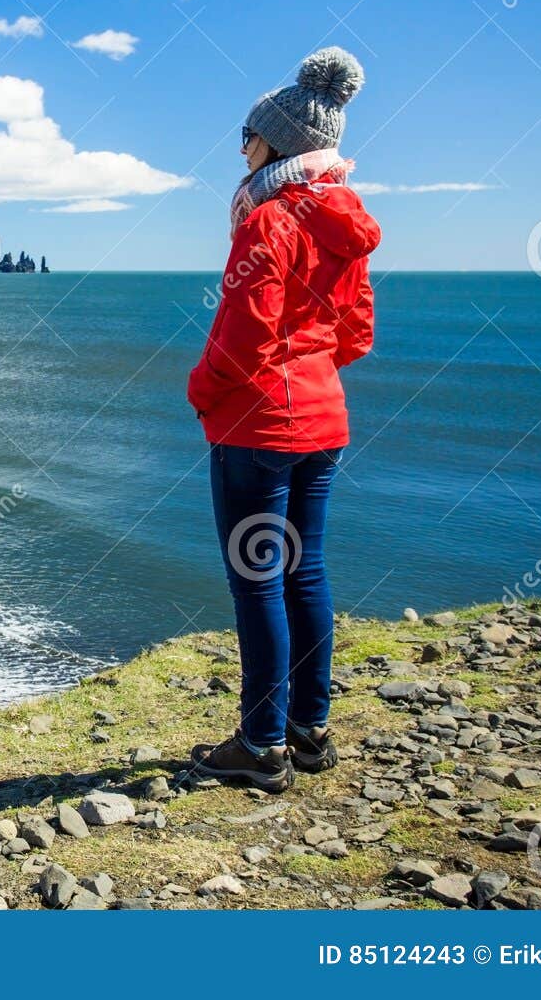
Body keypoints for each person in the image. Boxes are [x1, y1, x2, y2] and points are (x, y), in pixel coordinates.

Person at [186, 46, 382, 793]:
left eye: (249, 135)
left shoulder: (268, 219)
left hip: (259, 426)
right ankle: (308, 730)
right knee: (307, 571)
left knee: (258, 580)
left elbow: (244, 336)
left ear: (278, 143)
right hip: (323, 420)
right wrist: (311, 366)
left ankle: (262, 745)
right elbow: (356, 333)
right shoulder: (343, 219)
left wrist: (203, 389)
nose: (242, 149)